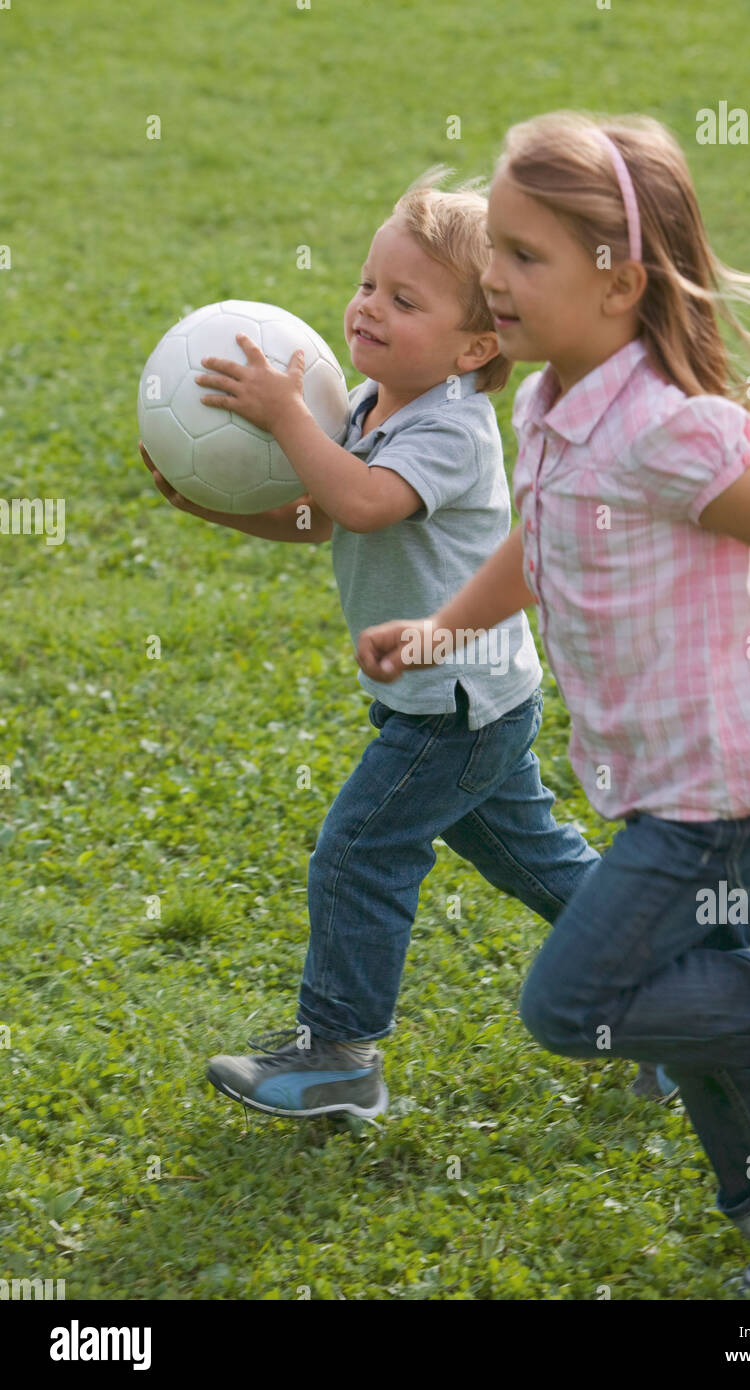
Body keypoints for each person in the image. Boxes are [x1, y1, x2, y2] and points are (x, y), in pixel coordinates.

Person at [355, 112, 750, 1296]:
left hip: (723, 789)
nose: (492, 278)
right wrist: (444, 626)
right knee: (690, 1015)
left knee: (579, 1003)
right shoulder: (554, 402)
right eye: (493, 249)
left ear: (623, 284)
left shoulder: (664, 430)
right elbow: (540, 540)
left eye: (525, 257)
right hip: (669, 779)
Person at [141, 170, 667, 1124]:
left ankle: (340, 1052)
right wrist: (214, 505)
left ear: (478, 345)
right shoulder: (370, 406)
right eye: (366, 283)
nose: (366, 308)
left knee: (358, 850)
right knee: (538, 865)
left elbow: (365, 501)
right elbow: (321, 518)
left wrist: (283, 414)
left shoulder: (454, 428)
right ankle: (676, 992)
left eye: (404, 299)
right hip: (465, 701)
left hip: (456, 707)